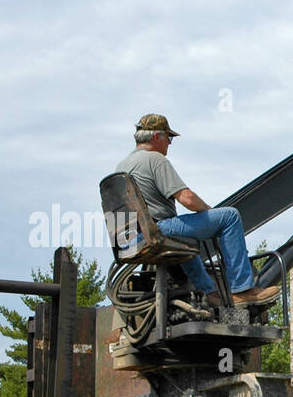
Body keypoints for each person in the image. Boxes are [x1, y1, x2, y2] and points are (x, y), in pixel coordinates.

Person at [115, 114, 278, 306]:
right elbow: (187, 198)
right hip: (156, 230)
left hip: (129, 240)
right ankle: (243, 290)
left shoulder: (121, 167)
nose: (169, 143)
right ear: (156, 137)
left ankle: (208, 293)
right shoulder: (155, 159)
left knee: (183, 239)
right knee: (230, 216)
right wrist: (211, 216)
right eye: (169, 138)